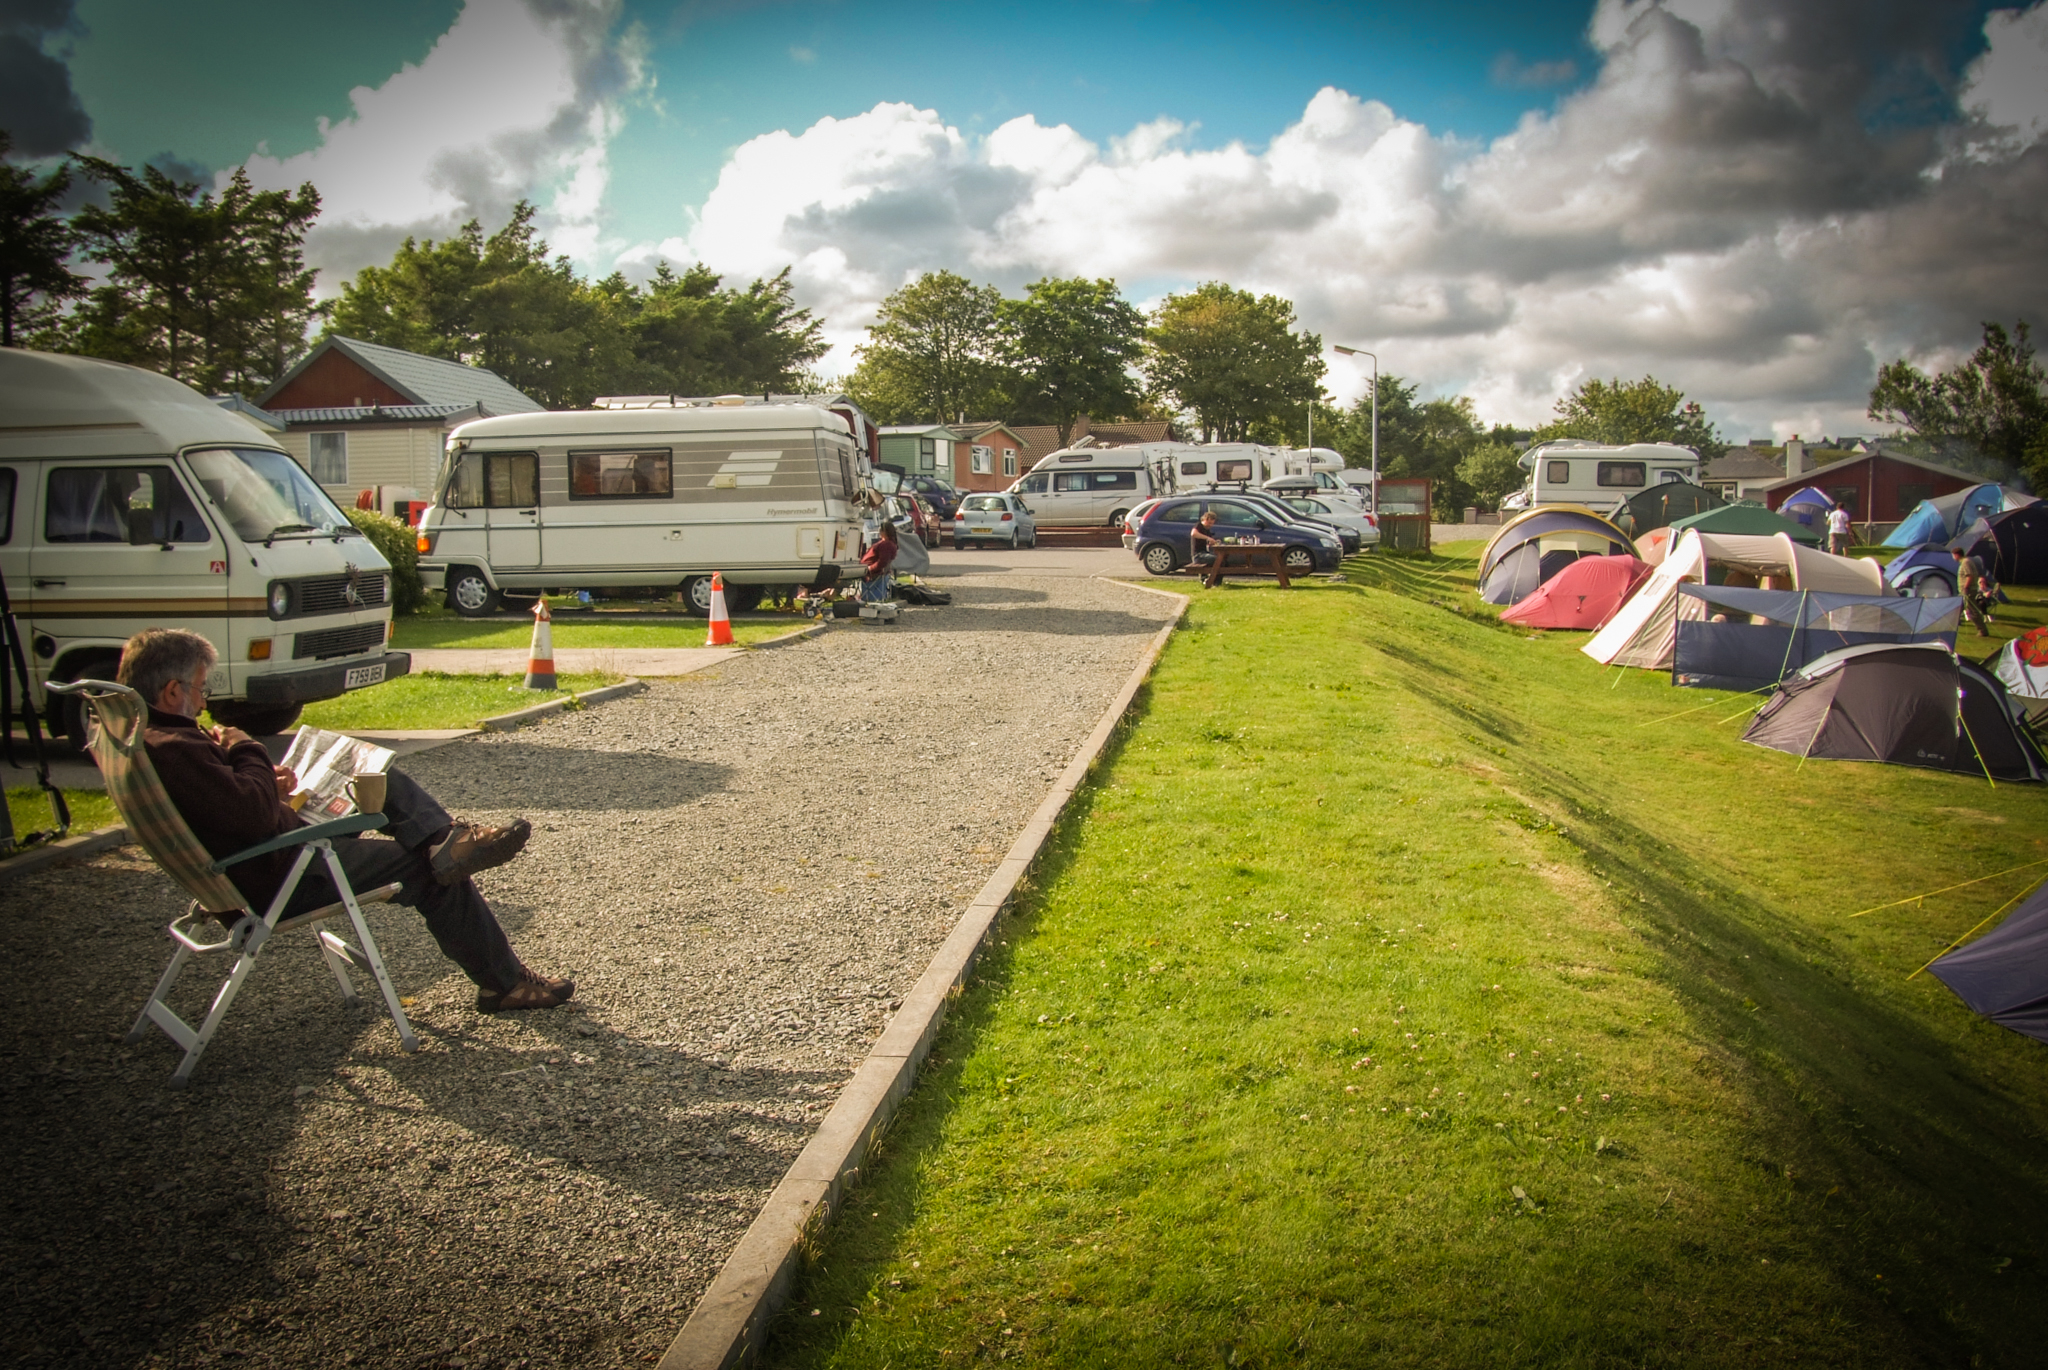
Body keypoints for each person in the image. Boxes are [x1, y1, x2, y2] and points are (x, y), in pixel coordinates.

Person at [117, 628, 574, 1012]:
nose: (204, 701)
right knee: (429, 873)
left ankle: (445, 840)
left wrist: (262, 784)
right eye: (201, 688)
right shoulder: (178, 748)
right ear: (172, 691)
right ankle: (505, 982)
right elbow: (249, 811)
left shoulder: (148, 739)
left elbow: (234, 806)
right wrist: (246, 748)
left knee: (376, 776)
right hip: (288, 871)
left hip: (268, 853)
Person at [1953, 547, 1998, 637]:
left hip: (1968, 590)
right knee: (1958, 608)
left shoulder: (1966, 562)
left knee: (1973, 611)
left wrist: (1966, 587)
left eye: (1953, 555)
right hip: (1965, 590)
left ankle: (1982, 630)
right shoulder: (1967, 561)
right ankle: (1952, 626)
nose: (1953, 558)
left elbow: (1970, 576)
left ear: (1957, 555)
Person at [860, 519, 898, 603]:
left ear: (885, 532)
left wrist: (870, 568)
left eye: (881, 530)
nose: (879, 532)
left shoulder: (886, 544)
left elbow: (882, 562)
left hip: (871, 571)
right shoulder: (888, 543)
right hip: (871, 570)